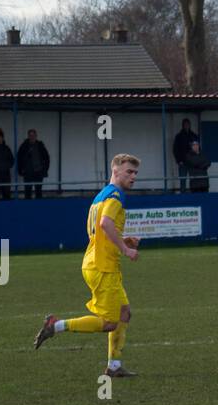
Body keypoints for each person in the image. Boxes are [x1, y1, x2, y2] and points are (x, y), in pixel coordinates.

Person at [33, 153, 142, 379]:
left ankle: (114, 366)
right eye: (129, 172)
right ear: (116, 171)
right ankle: (56, 325)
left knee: (124, 313)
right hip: (102, 266)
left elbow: (99, 231)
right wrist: (125, 249)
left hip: (96, 261)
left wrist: (124, 240)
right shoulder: (116, 196)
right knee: (110, 323)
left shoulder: (101, 196)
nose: (133, 177)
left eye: (135, 173)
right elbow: (105, 223)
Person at [18, 129, 51, 199]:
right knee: (27, 191)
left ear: (36, 136)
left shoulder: (40, 145)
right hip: (28, 172)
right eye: (30, 135)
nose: (32, 137)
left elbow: (47, 157)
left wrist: (45, 169)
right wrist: (21, 170)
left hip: (38, 172)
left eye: (33, 135)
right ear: (28, 136)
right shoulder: (24, 146)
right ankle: (27, 207)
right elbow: (19, 158)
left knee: (38, 191)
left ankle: (38, 207)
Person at [172, 118, 199, 193]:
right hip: (182, 163)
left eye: (188, 124)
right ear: (183, 126)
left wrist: (196, 160)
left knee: (193, 180)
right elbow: (175, 150)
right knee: (183, 181)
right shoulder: (179, 136)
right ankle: (183, 197)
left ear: (190, 125)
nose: (186, 126)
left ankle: (193, 195)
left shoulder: (194, 136)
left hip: (192, 163)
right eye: (185, 124)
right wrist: (179, 161)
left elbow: (198, 149)